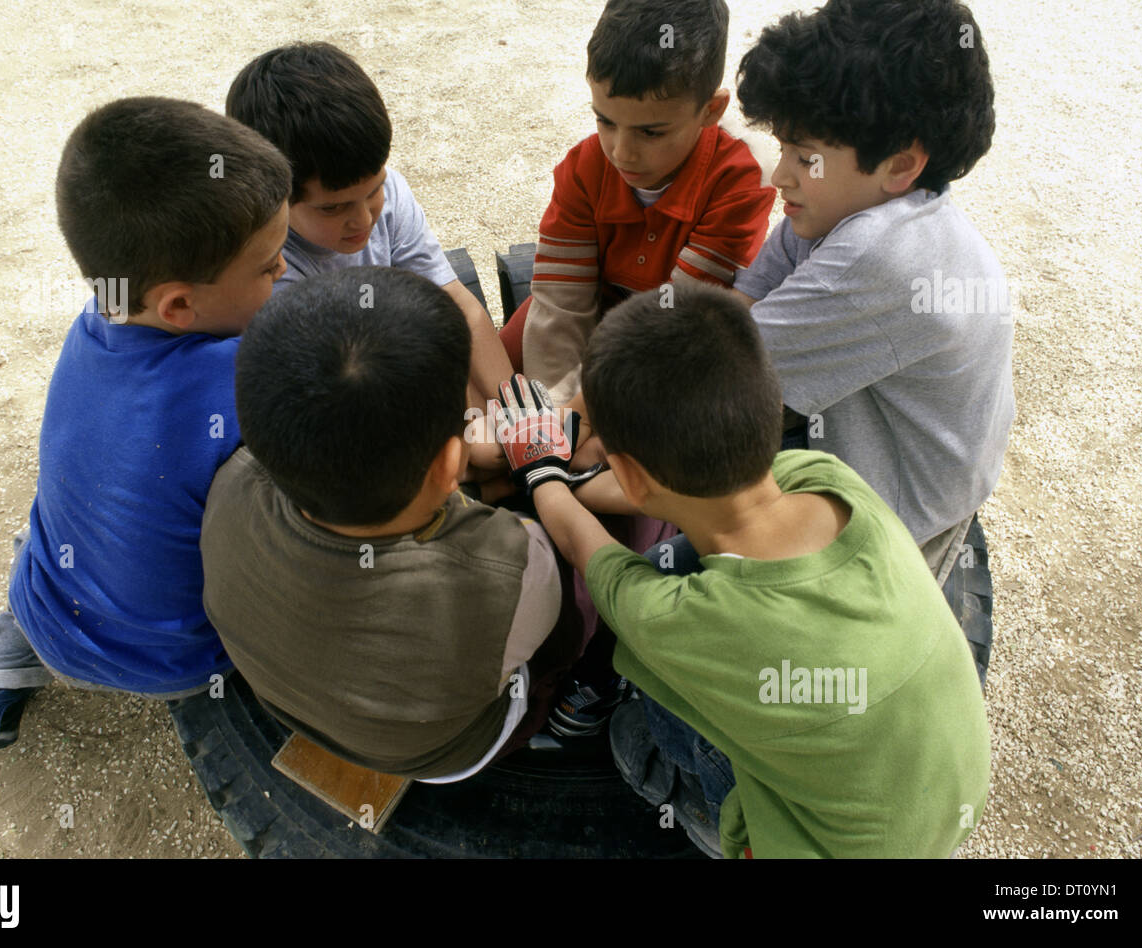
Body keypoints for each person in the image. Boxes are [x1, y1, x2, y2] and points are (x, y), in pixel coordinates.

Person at [490, 283, 991, 857]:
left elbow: (587, 552)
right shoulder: (821, 475)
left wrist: (537, 467)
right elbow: (643, 495)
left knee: (634, 732)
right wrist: (568, 474)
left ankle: (707, 822)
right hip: (951, 783)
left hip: (825, 848)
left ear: (628, 472)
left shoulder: (684, 621)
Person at [0, 97, 292, 749]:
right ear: (177, 304)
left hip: (46, 609)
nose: (284, 272)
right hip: (174, 666)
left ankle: (0, 673)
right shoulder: (237, 377)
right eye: (269, 265)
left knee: (53, 532)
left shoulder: (95, 324)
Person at [199, 266, 602, 780]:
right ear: (450, 465)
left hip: (289, 699)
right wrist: (539, 470)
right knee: (576, 605)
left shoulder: (232, 483)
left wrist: (469, 470)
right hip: (444, 752)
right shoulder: (512, 566)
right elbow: (551, 572)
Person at [731, 0, 1012, 686]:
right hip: (884, 445)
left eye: (805, 156)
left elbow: (711, 372)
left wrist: (566, 441)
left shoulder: (882, 258)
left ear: (900, 165)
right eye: (783, 147)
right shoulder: (836, 207)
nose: (779, 176)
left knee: (718, 644)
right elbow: (737, 314)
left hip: (905, 513)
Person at [500, 0, 775, 428]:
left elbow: (675, 324)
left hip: (679, 339)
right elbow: (562, 303)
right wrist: (553, 411)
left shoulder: (739, 179)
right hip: (592, 316)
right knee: (498, 376)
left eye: (651, 132)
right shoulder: (584, 167)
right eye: (605, 121)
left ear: (711, 111)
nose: (621, 152)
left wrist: (579, 418)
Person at [226, 42, 514, 419]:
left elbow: (453, 302)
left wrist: (521, 412)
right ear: (273, 199)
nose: (364, 219)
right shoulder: (269, 268)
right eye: (333, 207)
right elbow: (344, 386)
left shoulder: (390, 191)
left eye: (374, 189)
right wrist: (471, 434)